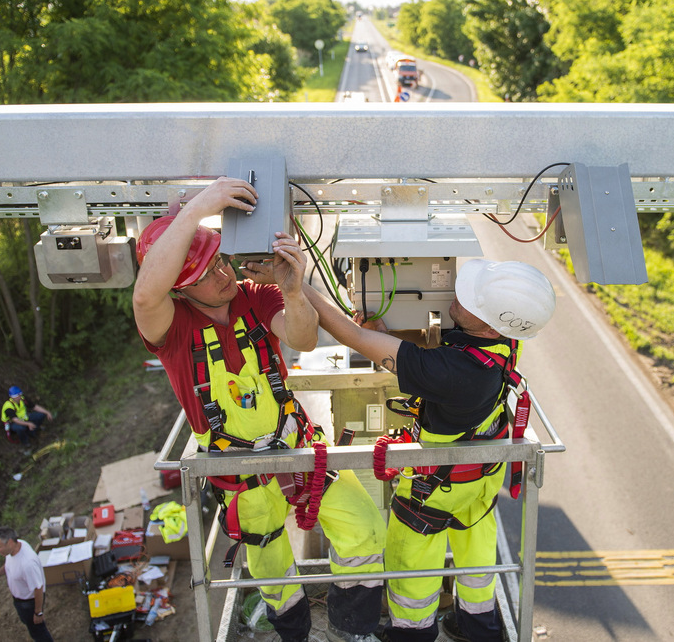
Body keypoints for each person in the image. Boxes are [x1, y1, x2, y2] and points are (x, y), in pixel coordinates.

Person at [132, 176, 386, 642]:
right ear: (180, 288)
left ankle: (354, 626)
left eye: (221, 262)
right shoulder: (172, 329)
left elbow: (304, 338)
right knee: (270, 564)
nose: (224, 275)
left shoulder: (253, 296)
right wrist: (198, 208)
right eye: (206, 274)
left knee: (364, 526)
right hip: (240, 471)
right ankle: (294, 633)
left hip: (297, 448)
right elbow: (145, 296)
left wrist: (292, 289)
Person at [302, 259, 557, 642]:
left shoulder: (455, 372)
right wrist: (391, 338)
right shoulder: (502, 342)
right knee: (476, 565)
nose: (457, 294)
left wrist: (296, 285)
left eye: (471, 299)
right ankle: (477, 629)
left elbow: (352, 336)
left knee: (412, 575)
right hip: (479, 483)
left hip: (433, 493)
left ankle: (413, 635)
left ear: (490, 323)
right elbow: (440, 364)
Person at [0, 527, 53, 642]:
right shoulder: (18, 546)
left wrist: (38, 612)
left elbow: (38, 588)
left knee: (38, 632)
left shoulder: (28, 564)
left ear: (9, 542)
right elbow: (10, 564)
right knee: (30, 625)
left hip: (29, 603)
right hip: (19, 600)